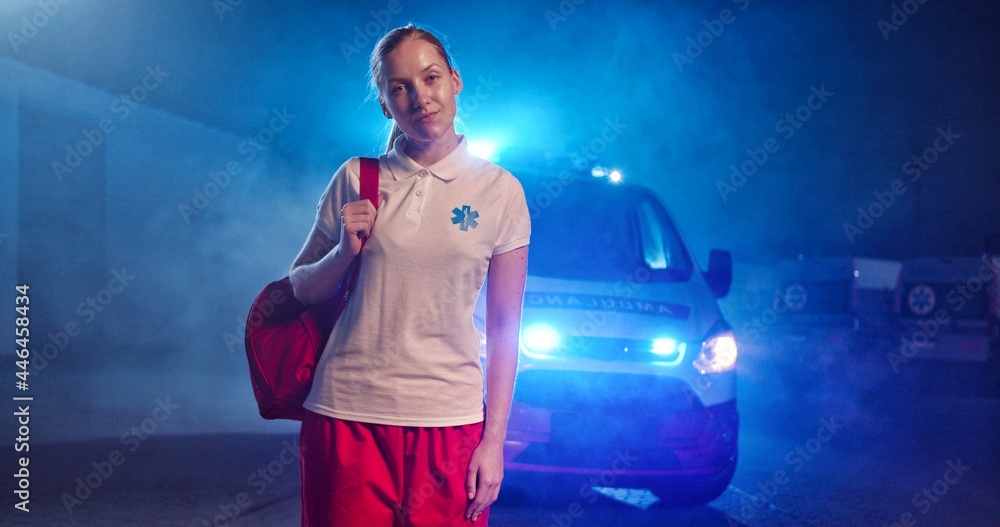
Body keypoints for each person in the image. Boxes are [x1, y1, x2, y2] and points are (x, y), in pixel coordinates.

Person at [288, 23, 530, 526]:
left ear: (455, 81)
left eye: (431, 78)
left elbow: (507, 329)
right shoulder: (357, 177)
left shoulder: (501, 191)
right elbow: (301, 289)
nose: (420, 97)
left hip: (451, 421)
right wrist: (343, 253)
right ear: (384, 104)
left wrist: (494, 440)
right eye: (399, 87)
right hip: (346, 413)